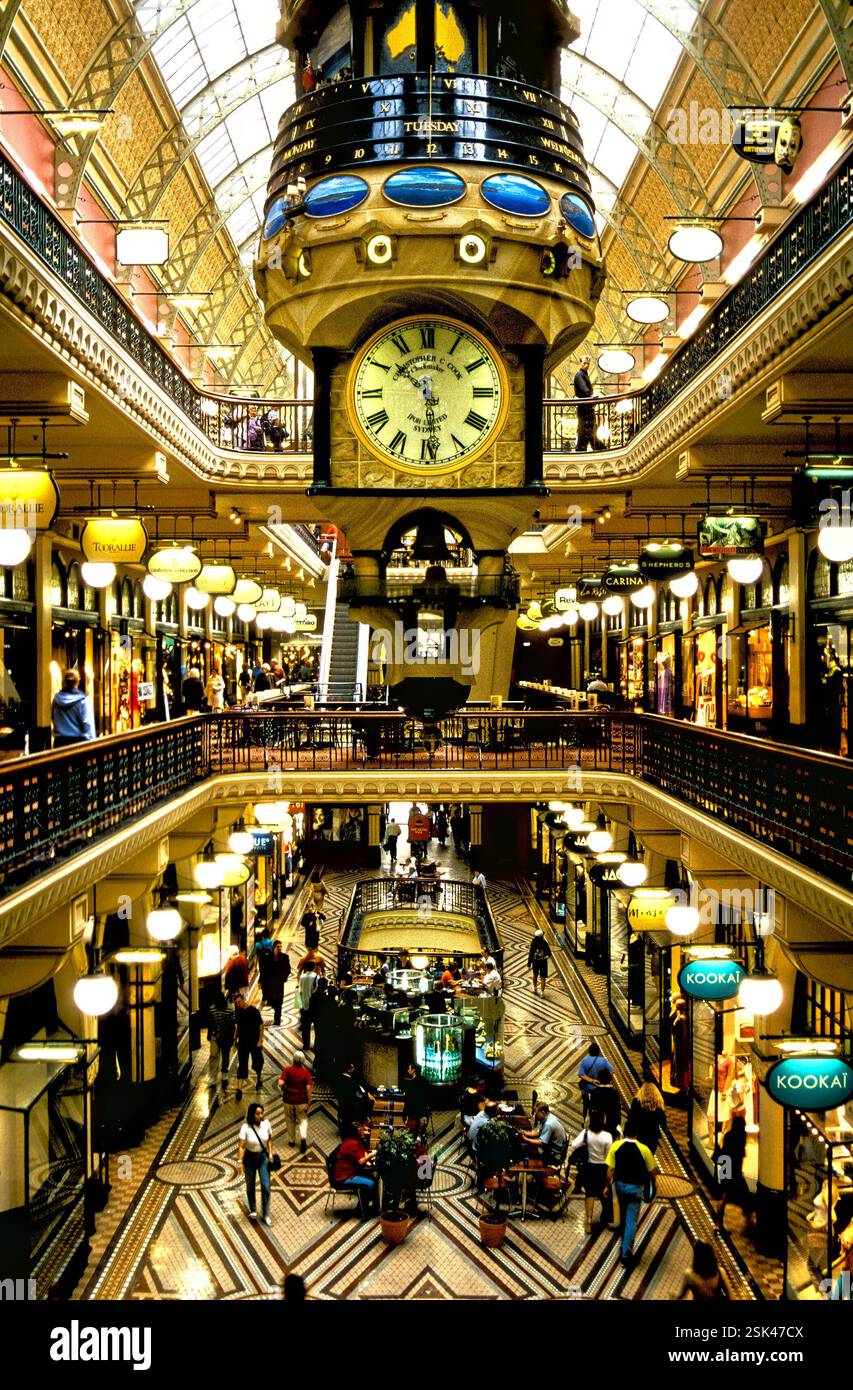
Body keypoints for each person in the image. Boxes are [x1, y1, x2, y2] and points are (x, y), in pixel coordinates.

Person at [605, 1118, 658, 1264]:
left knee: (622, 1214)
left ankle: (623, 1242)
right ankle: (626, 1254)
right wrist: (654, 1185)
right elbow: (652, 1171)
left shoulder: (616, 1146)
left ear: (625, 1130)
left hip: (620, 1186)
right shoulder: (644, 1149)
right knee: (631, 1221)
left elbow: (610, 1170)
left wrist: (607, 1186)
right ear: (637, 1133)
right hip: (636, 1189)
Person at [571, 1110, 613, 1233]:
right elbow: (608, 1156)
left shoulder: (586, 1133)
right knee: (604, 1195)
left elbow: (574, 1145)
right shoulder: (607, 1136)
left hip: (589, 1167)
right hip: (602, 1168)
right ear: (602, 1121)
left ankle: (588, 1220)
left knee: (589, 1193)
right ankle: (604, 1219)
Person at [238, 1101, 275, 1225]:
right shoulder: (245, 1127)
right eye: (257, 1113)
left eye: (261, 1113)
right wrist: (240, 1161)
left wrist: (270, 1153)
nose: (260, 1115)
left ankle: (265, 1213)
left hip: (263, 1158)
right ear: (252, 1115)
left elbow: (269, 1139)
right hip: (249, 1158)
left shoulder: (266, 1124)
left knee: (266, 1186)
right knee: (250, 1184)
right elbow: (242, 1146)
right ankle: (253, 1209)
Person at [716, 1113, 754, 1230]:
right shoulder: (740, 1137)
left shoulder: (729, 1135)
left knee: (726, 1194)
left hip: (726, 1168)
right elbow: (739, 1156)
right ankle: (748, 1220)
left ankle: (720, 1220)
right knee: (742, 1194)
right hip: (734, 1171)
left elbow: (725, 1152)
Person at [332, 1121, 377, 1212]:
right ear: (356, 1132)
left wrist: (366, 1157)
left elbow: (362, 1152)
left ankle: (367, 1206)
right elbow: (360, 1161)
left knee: (371, 1178)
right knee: (371, 1183)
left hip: (346, 1173)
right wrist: (372, 1154)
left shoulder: (353, 1141)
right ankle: (363, 1209)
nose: (364, 1132)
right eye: (362, 1130)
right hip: (344, 1177)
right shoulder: (352, 1143)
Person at [278, 1049, 313, 1153]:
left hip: (288, 1100)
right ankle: (302, 1140)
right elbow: (308, 1089)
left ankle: (292, 1140)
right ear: (303, 1060)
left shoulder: (287, 1070)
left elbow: (280, 1083)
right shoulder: (306, 1072)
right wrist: (309, 1101)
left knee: (290, 1120)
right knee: (302, 1121)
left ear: (293, 1059)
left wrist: (286, 1088)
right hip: (301, 1101)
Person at [52, 669, 96, 746]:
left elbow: (53, 717)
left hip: (59, 743)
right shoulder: (83, 700)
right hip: (76, 744)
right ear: (78, 682)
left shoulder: (56, 699)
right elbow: (87, 725)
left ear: (65, 682)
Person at [234, 993, 264, 1099]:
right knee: (242, 1065)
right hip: (243, 1042)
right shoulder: (238, 1012)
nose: (238, 1004)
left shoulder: (253, 1011)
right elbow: (238, 1026)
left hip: (254, 1041)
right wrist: (235, 1038)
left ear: (243, 1000)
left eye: (239, 1002)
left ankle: (259, 1078)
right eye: (236, 1003)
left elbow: (261, 1025)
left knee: (257, 1061)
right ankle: (239, 1090)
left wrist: (260, 1040)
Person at [207, 991, 235, 1094]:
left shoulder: (230, 1008)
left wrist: (232, 1037)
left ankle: (224, 1072)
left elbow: (233, 1024)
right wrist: (210, 1035)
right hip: (215, 1036)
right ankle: (213, 1077)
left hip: (226, 1037)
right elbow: (210, 1022)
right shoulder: (212, 1008)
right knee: (213, 1056)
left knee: (225, 1055)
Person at [628, 1081, 666, 1153]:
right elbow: (662, 1120)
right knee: (650, 1155)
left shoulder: (637, 1101)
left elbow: (632, 1118)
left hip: (640, 1134)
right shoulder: (658, 1103)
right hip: (653, 1135)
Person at [574, 354, 601, 452]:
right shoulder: (579, 375)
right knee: (586, 429)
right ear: (580, 363)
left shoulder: (584, 375)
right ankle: (596, 448)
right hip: (584, 407)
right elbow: (584, 389)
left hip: (586, 406)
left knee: (587, 429)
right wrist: (591, 396)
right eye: (584, 363)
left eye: (588, 364)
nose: (586, 365)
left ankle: (586, 448)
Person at [578, 1041, 612, 1119]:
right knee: (599, 1107)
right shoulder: (603, 1061)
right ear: (598, 1051)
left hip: (587, 1088)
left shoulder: (585, 1061)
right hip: (600, 1089)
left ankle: (585, 1121)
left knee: (586, 1105)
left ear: (589, 1051)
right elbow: (612, 1071)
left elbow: (581, 1074)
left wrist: (592, 1081)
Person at [336, 1060, 373, 1128]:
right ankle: (364, 1122)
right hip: (350, 1107)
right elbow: (357, 1095)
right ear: (348, 1070)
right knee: (367, 1102)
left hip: (343, 1105)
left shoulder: (340, 1078)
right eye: (352, 1067)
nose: (354, 1069)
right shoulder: (349, 1081)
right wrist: (366, 1095)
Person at [265, 941, 291, 1026]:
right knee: (272, 1001)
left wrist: (283, 979)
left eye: (280, 946)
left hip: (279, 984)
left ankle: (277, 1020)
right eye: (278, 947)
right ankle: (275, 1008)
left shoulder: (285, 957)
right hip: (271, 984)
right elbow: (265, 970)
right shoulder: (268, 957)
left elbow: (288, 970)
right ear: (274, 948)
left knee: (279, 1002)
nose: (279, 948)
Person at [402, 1060, 431, 1132]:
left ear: (413, 1070)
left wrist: (405, 1115)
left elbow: (408, 1100)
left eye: (409, 1069)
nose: (408, 1070)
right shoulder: (424, 1080)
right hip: (423, 1112)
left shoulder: (411, 1084)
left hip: (414, 1114)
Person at [296, 962, 319, 1050]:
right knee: (316, 1026)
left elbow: (300, 990)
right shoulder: (316, 976)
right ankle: (316, 1045)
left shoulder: (302, 977)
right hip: (313, 1006)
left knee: (305, 1027)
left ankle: (306, 1044)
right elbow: (316, 989)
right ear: (314, 967)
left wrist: (299, 1005)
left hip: (304, 1005)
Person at [527, 929, 552, 997]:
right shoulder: (544, 943)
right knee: (543, 978)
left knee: (535, 975)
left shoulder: (533, 942)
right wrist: (545, 956)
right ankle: (542, 992)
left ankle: (535, 988)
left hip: (535, 962)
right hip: (543, 962)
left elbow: (531, 953)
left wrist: (529, 964)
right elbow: (549, 953)